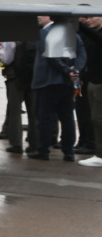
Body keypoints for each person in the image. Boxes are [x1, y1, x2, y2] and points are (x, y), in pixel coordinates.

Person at [30, 16, 86, 162]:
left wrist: (67, 70)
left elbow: (51, 56)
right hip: (67, 84)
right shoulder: (72, 33)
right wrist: (75, 70)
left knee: (45, 118)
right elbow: (82, 53)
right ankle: (68, 151)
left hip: (47, 82)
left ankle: (43, 150)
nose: (38, 17)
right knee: (67, 118)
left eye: (42, 14)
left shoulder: (44, 33)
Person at [0, 41, 37, 155]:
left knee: (15, 111)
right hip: (33, 78)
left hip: (15, 78)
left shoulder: (12, 39)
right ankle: (34, 144)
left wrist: (0, 50)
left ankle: (16, 144)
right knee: (33, 113)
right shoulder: (36, 37)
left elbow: (6, 59)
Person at [79, 17, 102, 157]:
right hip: (92, 81)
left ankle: (99, 153)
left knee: (98, 118)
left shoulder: (95, 35)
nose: (89, 20)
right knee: (93, 117)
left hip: (99, 83)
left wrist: (79, 25)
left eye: (92, 16)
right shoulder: (92, 36)